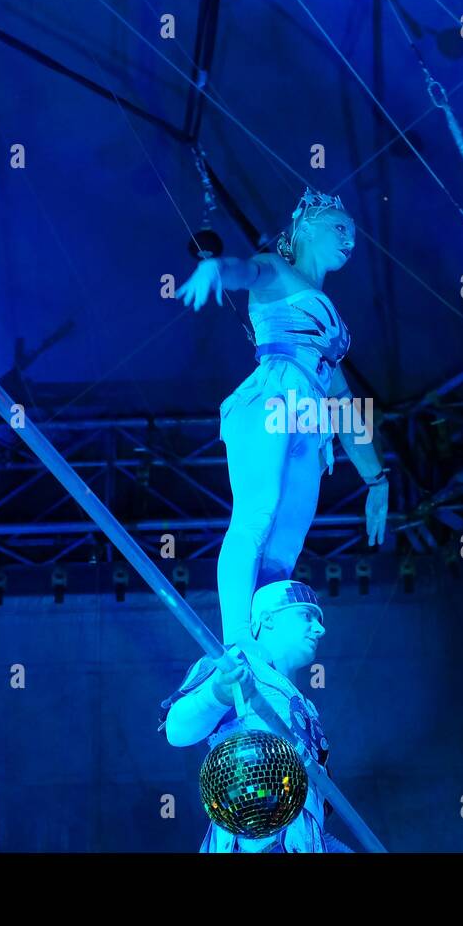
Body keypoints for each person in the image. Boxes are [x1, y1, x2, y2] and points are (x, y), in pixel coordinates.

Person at [176, 189, 388, 646]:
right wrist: (217, 268)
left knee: (285, 546)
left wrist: (376, 479)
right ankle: (235, 642)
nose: (349, 239)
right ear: (307, 226)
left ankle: (264, 643)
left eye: (352, 233)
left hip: (311, 417)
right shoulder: (277, 269)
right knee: (258, 513)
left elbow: (345, 403)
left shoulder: (329, 322)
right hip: (274, 399)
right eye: (339, 227)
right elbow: (244, 272)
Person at [159, 580, 352, 852]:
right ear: (268, 619)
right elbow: (176, 730)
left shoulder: (304, 703)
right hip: (254, 835)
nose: (320, 629)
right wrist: (217, 694)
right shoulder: (236, 660)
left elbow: (312, 806)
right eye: (306, 615)